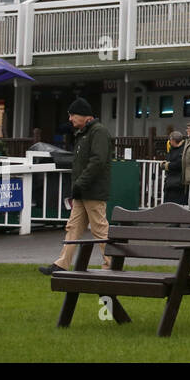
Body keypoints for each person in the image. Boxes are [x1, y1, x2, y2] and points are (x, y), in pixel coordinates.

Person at [38, 98, 113, 274]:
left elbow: (98, 161)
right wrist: (79, 186)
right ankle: (62, 264)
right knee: (73, 227)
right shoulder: (84, 132)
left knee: (100, 230)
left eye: (72, 114)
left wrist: (80, 183)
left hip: (93, 191)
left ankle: (111, 264)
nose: (70, 118)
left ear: (84, 115)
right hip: (82, 191)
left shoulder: (98, 132)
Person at [163, 130, 185, 203]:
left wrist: (167, 165)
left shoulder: (182, 150)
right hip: (170, 181)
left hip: (177, 182)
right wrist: (165, 164)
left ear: (173, 140)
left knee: (175, 203)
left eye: (170, 140)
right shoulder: (172, 149)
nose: (169, 141)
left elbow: (179, 164)